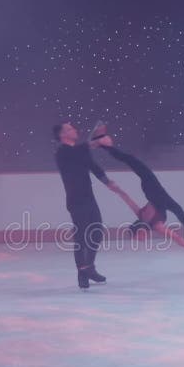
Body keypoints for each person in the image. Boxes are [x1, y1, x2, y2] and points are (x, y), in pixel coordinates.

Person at [94, 135, 184, 254]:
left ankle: (104, 145)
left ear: (137, 229)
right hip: (163, 198)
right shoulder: (157, 226)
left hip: (152, 189)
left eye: (140, 236)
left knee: (132, 160)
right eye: (142, 239)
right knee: (181, 214)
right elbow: (176, 238)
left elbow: (126, 198)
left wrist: (116, 189)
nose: (143, 238)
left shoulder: (140, 215)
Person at [53, 122, 121, 289]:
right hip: (75, 199)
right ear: (62, 135)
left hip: (88, 197)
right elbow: (77, 152)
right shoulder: (62, 152)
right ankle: (83, 272)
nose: (74, 130)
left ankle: (88, 268)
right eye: (69, 129)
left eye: (73, 128)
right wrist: (94, 142)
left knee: (96, 231)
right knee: (82, 236)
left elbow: (94, 167)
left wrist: (107, 182)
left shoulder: (79, 151)